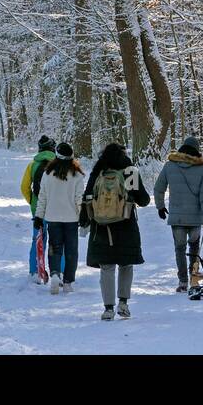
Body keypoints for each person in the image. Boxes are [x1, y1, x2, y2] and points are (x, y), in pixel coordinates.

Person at [80, 142, 150, 320]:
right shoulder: (129, 170)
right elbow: (143, 200)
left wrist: (84, 221)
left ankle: (108, 308)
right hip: (126, 225)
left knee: (107, 267)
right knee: (126, 264)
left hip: (102, 227)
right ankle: (123, 303)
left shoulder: (98, 171)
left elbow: (87, 196)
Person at [153, 134, 203, 293]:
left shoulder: (169, 166)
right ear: (197, 151)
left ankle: (183, 281)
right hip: (195, 218)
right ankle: (193, 277)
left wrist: (160, 206)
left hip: (177, 217)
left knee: (179, 249)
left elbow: (158, 188)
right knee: (194, 247)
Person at [34, 142, 84, 295]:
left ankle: (55, 273)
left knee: (54, 248)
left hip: (52, 217)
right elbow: (79, 199)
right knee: (71, 251)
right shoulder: (77, 175)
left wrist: (38, 216)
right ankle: (68, 281)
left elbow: (42, 197)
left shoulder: (48, 174)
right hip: (71, 218)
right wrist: (82, 216)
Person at [20, 135, 58, 283]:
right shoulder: (58, 164)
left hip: (38, 209)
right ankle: (58, 272)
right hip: (56, 208)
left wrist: (32, 201)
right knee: (57, 241)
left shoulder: (32, 165)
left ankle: (34, 271)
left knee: (37, 239)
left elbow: (24, 187)